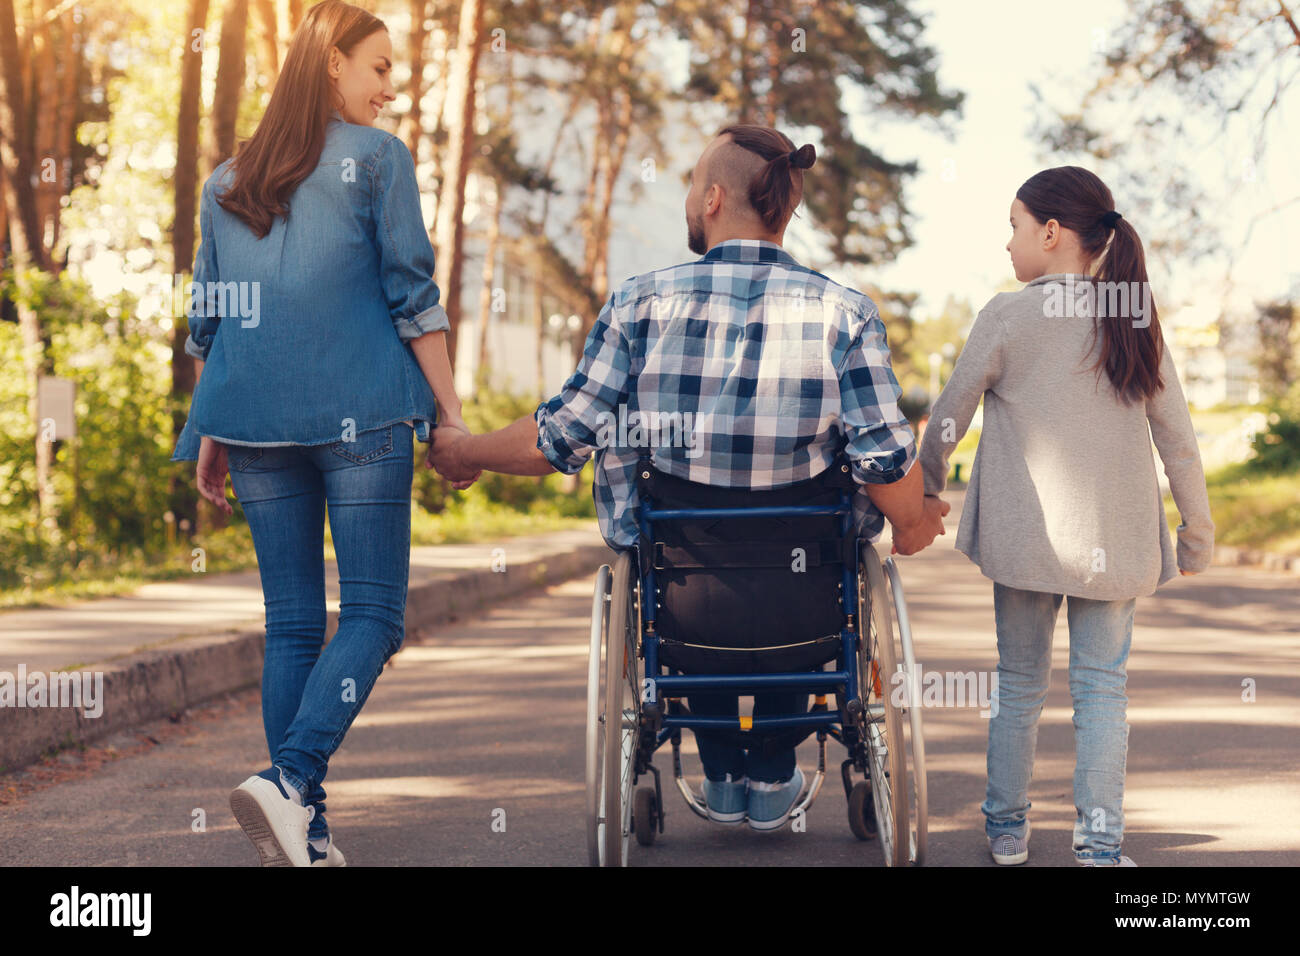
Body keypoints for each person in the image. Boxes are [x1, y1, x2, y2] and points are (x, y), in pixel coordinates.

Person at [428, 124, 948, 831]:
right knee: (804, 593)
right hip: (809, 613)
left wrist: (464, 452)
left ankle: (728, 765)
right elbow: (886, 465)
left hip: (684, 605)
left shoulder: (640, 305)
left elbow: (561, 436)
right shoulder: (843, 313)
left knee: (684, 605)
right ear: (784, 211)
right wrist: (914, 521)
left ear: (711, 199)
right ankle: (766, 770)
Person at [170, 0, 476, 866]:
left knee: (295, 623)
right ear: (332, 63)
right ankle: (292, 778)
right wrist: (451, 418)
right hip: (364, 415)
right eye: (379, 68)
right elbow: (412, 300)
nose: (390, 87)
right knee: (375, 615)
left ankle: (302, 830)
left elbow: (211, 318)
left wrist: (210, 426)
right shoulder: (379, 160)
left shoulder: (226, 179)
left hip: (253, 419)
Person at [919, 166, 1213, 866]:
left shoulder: (1007, 315)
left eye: (1014, 228)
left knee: (1018, 683)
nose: (1009, 244)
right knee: (1103, 691)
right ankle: (1100, 846)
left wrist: (925, 494)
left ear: (1051, 234)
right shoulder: (1132, 318)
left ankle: (1006, 829)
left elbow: (948, 418)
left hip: (1026, 543)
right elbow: (1179, 438)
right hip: (1116, 542)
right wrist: (1194, 532)